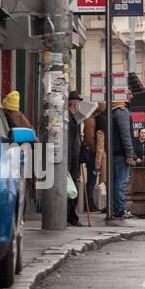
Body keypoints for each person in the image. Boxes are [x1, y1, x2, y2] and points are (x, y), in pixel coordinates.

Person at [108, 100, 136, 219]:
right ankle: (119, 209)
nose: (131, 96)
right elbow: (126, 135)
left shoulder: (111, 112)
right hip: (121, 154)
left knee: (114, 182)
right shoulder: (122, 111)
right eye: (128, 93)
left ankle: (114, 208)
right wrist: (130, 154)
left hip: (112, 152)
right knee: (121, 182)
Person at [65, 92, 84, 226]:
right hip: (71, 161)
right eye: (78, 103)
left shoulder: (73, 119)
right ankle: (71, 217)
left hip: (74, 160)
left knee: (73, 190)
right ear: (74, 103)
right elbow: (70, 143)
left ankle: (71, 216)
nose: (79, 105)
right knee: (72, 191)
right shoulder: (70, 119)